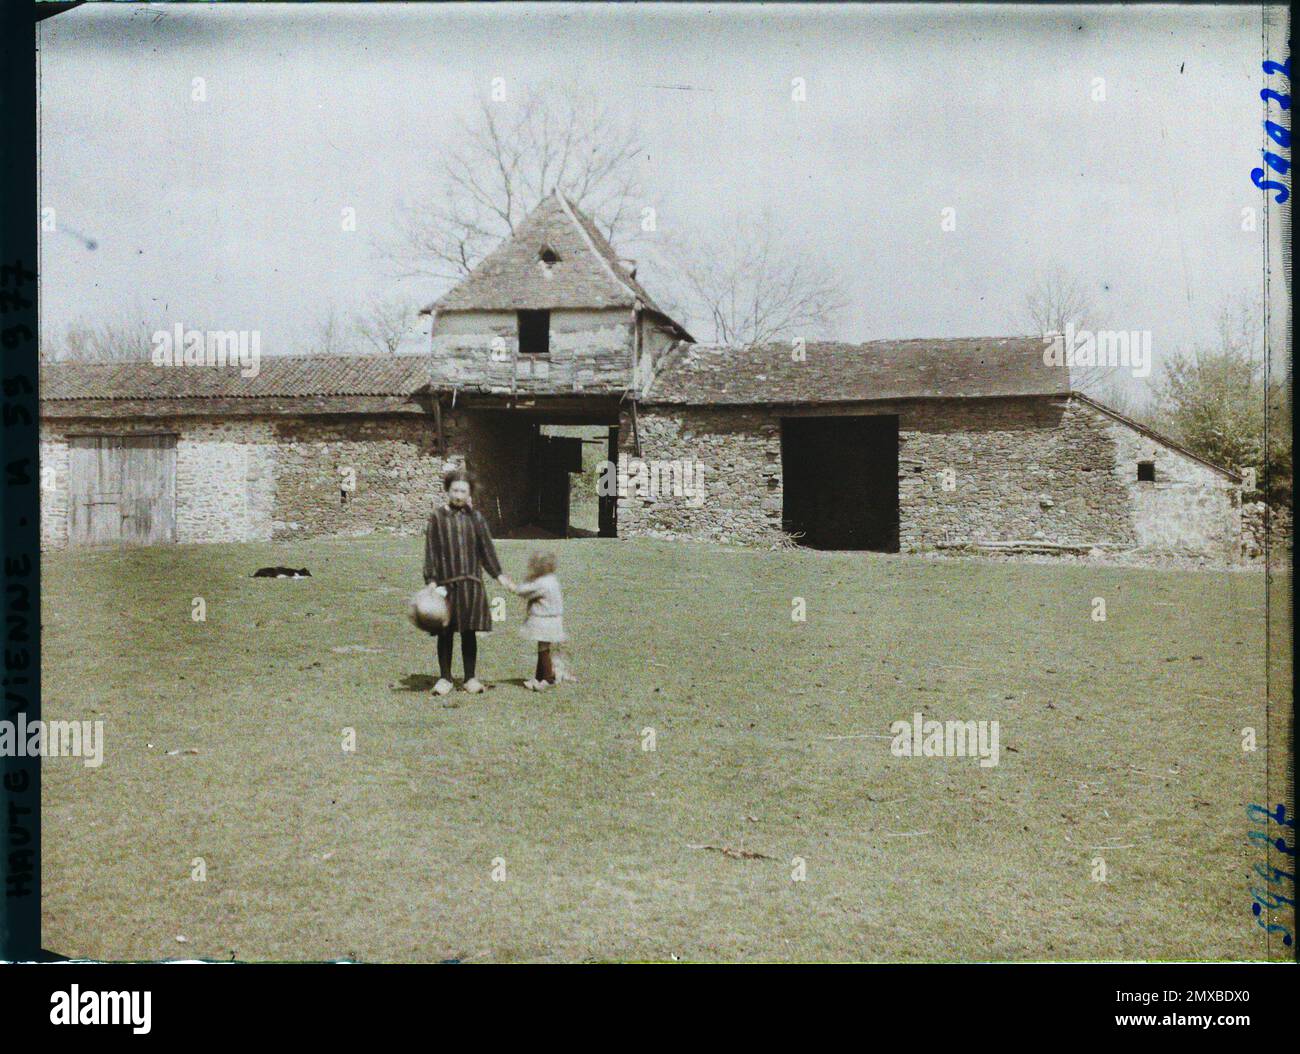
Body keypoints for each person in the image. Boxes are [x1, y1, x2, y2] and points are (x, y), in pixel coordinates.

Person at [422, 469, 514, 696]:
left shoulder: (477, 519)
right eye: (455, 490)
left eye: (463, 491)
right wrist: (432, 580)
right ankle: (445, 678)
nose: (458, 495)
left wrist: (499, 575)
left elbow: (486, 551)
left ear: (469, 493)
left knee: (469, 631)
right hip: (445, 584)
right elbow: (431, 550)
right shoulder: (437, 518)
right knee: (445, 632)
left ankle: (470, 678)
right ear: (447, 491)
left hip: (471, 585)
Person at [513, 550, 568, 690]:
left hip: (544, 621)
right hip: (554, 620)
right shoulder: (552, 580)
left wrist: (512, 583)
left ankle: (547, 679)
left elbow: (522, 591)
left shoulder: (541, 583)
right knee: (543, 648)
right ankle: (538, 677)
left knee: (543, 650)